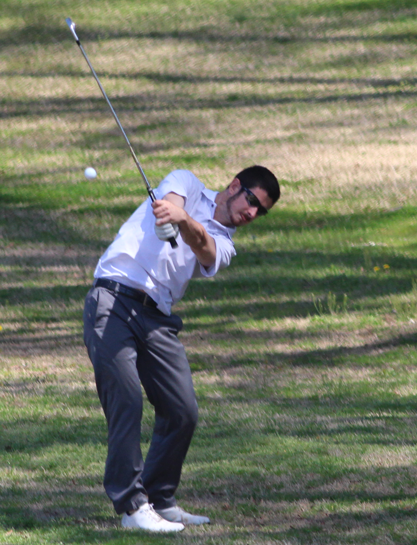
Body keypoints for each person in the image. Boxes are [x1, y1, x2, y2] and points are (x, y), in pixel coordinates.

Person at [82, 166, 279, 533]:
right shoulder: (186, 181)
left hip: (156, 317)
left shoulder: (226, 243)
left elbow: (203, 246)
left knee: (182, 409)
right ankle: (132, 506)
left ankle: (158, 498)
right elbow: (171, 201)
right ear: (234, 186)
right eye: (252, 200)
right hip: (113, 298)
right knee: (126, 399)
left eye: (260, 211)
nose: (252, 213)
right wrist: (172, 211)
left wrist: (183, 220)